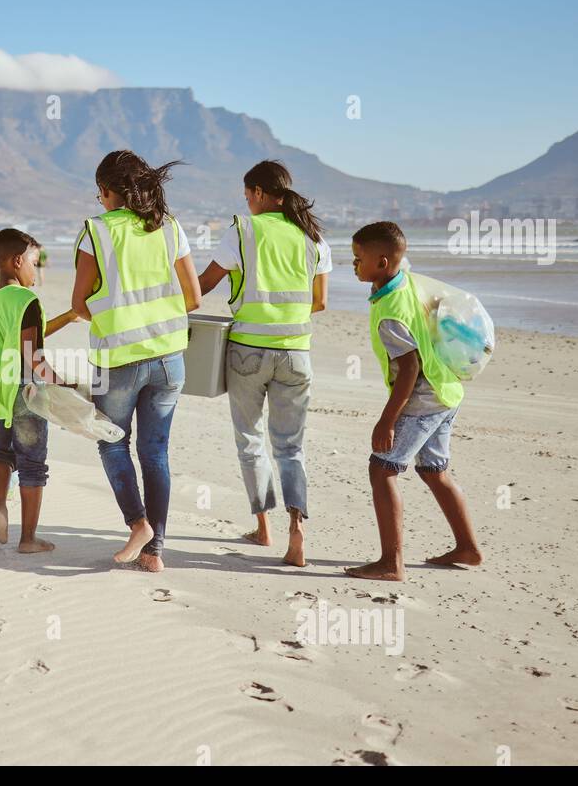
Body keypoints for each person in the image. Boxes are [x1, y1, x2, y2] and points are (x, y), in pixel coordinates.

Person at [71, 150, 202, 572]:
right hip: (169, 359)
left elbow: (79, 304)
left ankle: (139, 523)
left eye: (100, 193)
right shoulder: (169, 228)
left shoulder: (96, 231)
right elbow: (194, 297)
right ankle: (154, 553)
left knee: (111, 441)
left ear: (107, 191)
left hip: (119, 359)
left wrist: (117, 317)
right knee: (155, 452)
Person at [196, 160, 331, 567]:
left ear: (257, 192)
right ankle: (296, 533)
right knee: (291, 447)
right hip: (296, 354)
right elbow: (319, 301)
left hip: (247, 352)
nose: (246, 203)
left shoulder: (243, 231)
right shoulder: (313, 236)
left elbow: (201, 285)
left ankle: (263, 527)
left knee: (250, 440)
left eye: (247, 195)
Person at [347, 221, 482, 582]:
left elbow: (409, 369)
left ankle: (391, 563)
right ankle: (468, 548)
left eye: (359, 259)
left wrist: (387, 421)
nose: (354, 265)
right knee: (435, 471)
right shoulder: (405, 282)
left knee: (382, 470)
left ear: (384, 262)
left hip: (423, 399)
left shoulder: (391, 310)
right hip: (447, 390)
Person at [0, 228, 80, 552]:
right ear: (18, 260)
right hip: (25, 392)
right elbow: (32, 354)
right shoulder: (28, 299)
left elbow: (22, 336)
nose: (35, 270)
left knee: (0, 452)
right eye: (34, 263)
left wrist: (67, 317)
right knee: (33, 464)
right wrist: (64, 383)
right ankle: (27, 539)